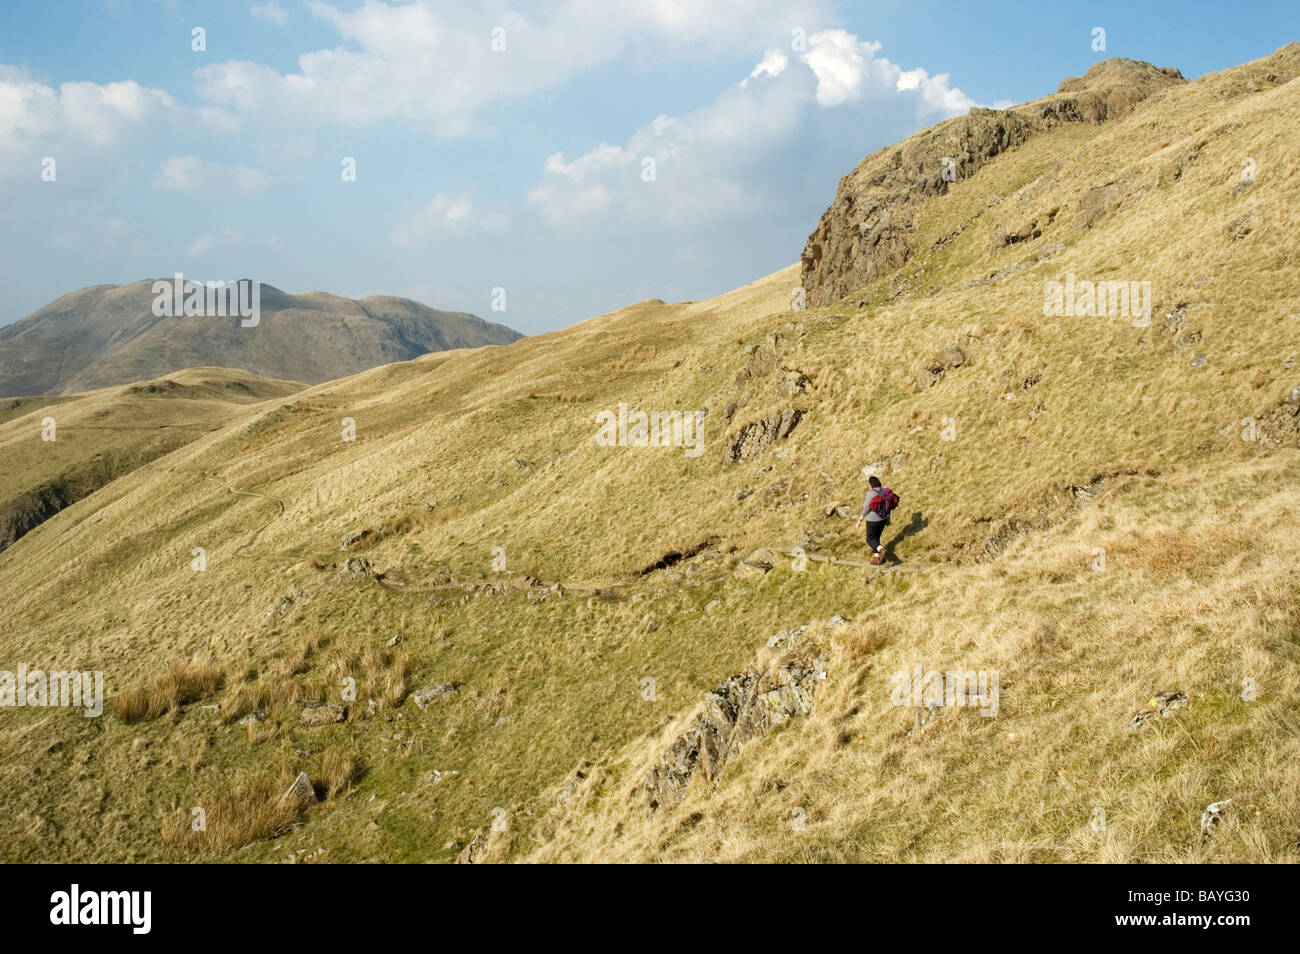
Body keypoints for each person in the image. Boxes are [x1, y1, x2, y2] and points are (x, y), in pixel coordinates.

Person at [853, 475, 899, 565]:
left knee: (870, 539)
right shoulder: (884, 492)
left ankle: (881, 550)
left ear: (870, 484)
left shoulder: (871, 493)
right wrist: (887, 519)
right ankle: (876, 558)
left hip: (872, 519)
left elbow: (867, 507)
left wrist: (860, 519)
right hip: (882, 519)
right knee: (876, 538)